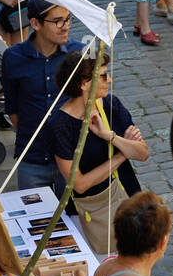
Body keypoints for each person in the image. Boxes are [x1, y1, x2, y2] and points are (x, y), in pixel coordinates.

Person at [49, 51, 149, 254]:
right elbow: (80, 184)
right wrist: (122, 154)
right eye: (103, 75)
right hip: (92, 214)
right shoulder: (60, 125)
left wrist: (110, 136)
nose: (109, 79)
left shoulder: (112, 104)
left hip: (129, 202)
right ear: (84, 83)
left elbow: (142, 153)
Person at [1, 0, 85, 192]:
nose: (65, 26)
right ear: (35, 24)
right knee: (35, 219)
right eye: (57, 21)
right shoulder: (13, 57)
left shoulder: (78, 53)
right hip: (32, 159)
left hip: (72, 158)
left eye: (68, 19)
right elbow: (12, 109)